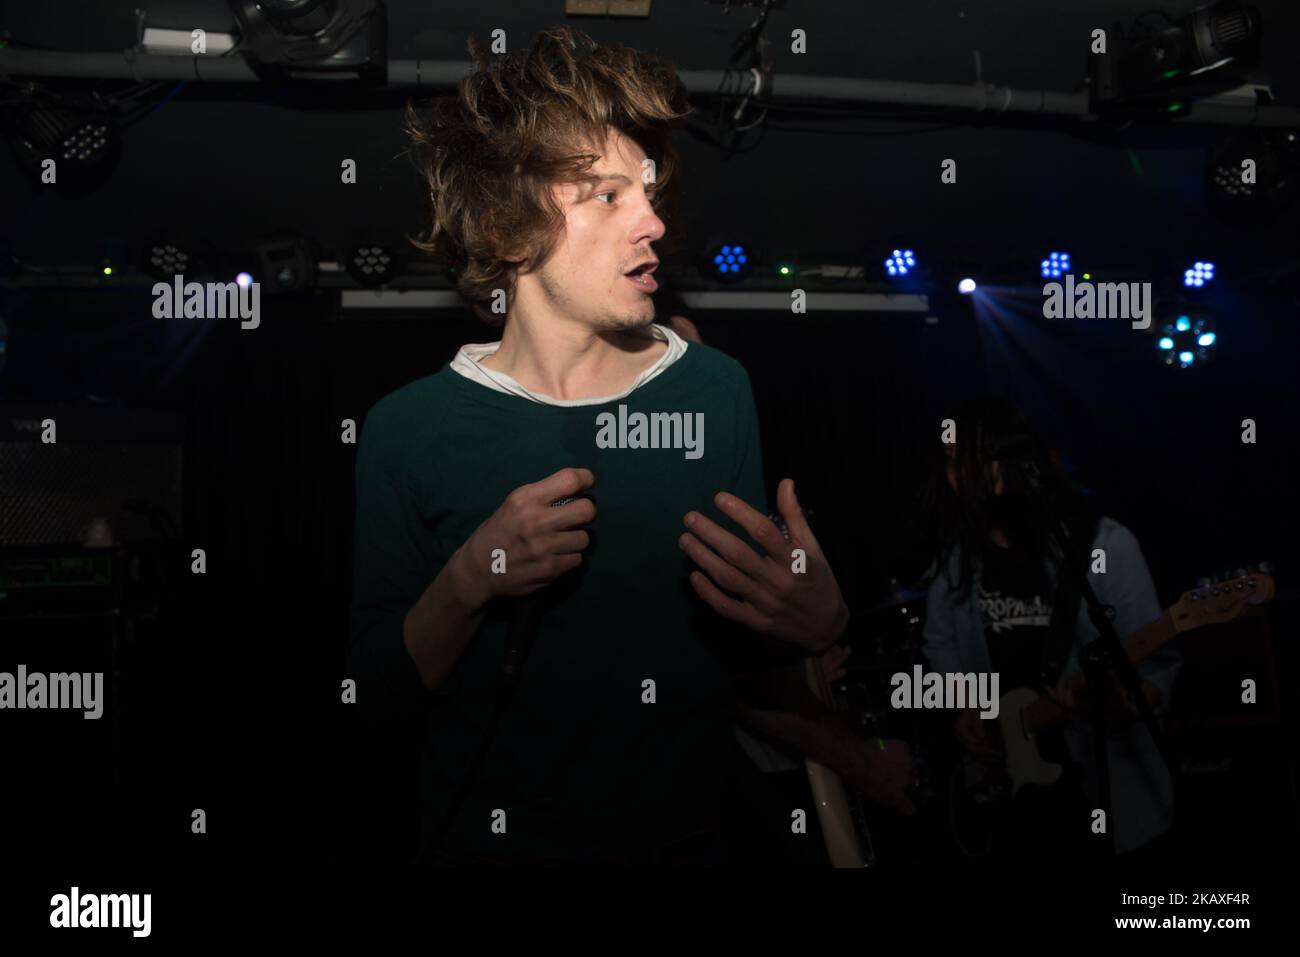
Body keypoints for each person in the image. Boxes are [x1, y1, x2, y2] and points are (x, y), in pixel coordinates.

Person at [349, 26, 907, 867]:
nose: (653, 221)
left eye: (647, 191)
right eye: (607, 195)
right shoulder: (406, 428)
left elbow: (741, 665)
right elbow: (375, 698)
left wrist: (814, 622)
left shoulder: (714, 391)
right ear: (506, 233)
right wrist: (469, 578)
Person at [918, 396, 1181, 863]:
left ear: (1004, 460)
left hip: (1108, 798)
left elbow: (1158, 669)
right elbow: (940, 644)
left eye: (961, 459)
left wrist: (1117, 704)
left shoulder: (1104, 545)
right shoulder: (959, 559)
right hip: (1014, 805)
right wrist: (966, 709)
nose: (951, 473)